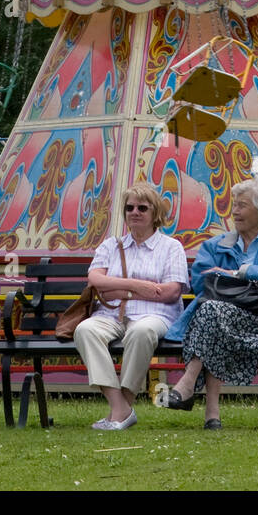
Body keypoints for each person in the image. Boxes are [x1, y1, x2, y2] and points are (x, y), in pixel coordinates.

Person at [162, 172, 258, 430]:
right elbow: (200, 283)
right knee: (213, 315)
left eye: (242, 205)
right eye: (234, 205)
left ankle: (188, 386)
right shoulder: (215, 245)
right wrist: (243, 282)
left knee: (211, 314)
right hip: (217, 319)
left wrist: (241, 272)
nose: (235, 211)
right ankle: (211, 415)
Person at [73, 183, 188, 432]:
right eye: (129, 208)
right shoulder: (110, 246)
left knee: (141, 331)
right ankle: (121, 408)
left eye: (142, 208)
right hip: (111, 314)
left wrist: (116, 289)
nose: (134, 212)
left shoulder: (171, 247)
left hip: (155, 315)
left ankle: (121, 407)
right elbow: (95, 281)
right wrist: (139, 286)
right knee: (85, 330)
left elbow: (171, 292)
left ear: (155, 213)